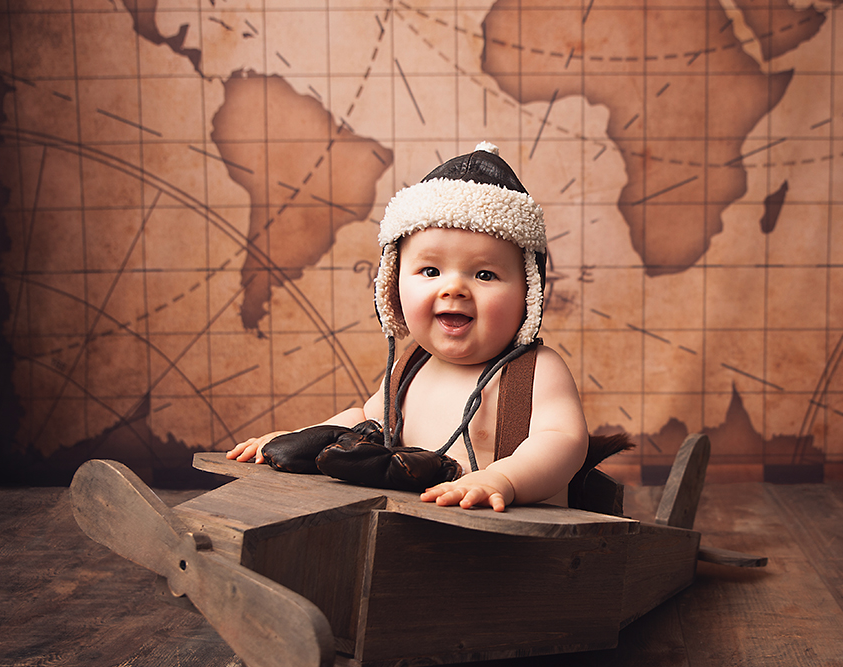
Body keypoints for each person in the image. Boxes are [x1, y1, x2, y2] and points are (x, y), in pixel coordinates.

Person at [227, 142, 589, 512]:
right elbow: (368, 420)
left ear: (529, 292)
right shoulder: (411, 365)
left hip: (504, 544)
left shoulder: (537, 370)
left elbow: (563, 440)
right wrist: (296, 440)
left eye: (484, 274)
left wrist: (504, 479)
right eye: (430, 271)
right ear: (392, 284)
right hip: (414, 534)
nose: (453, 288)